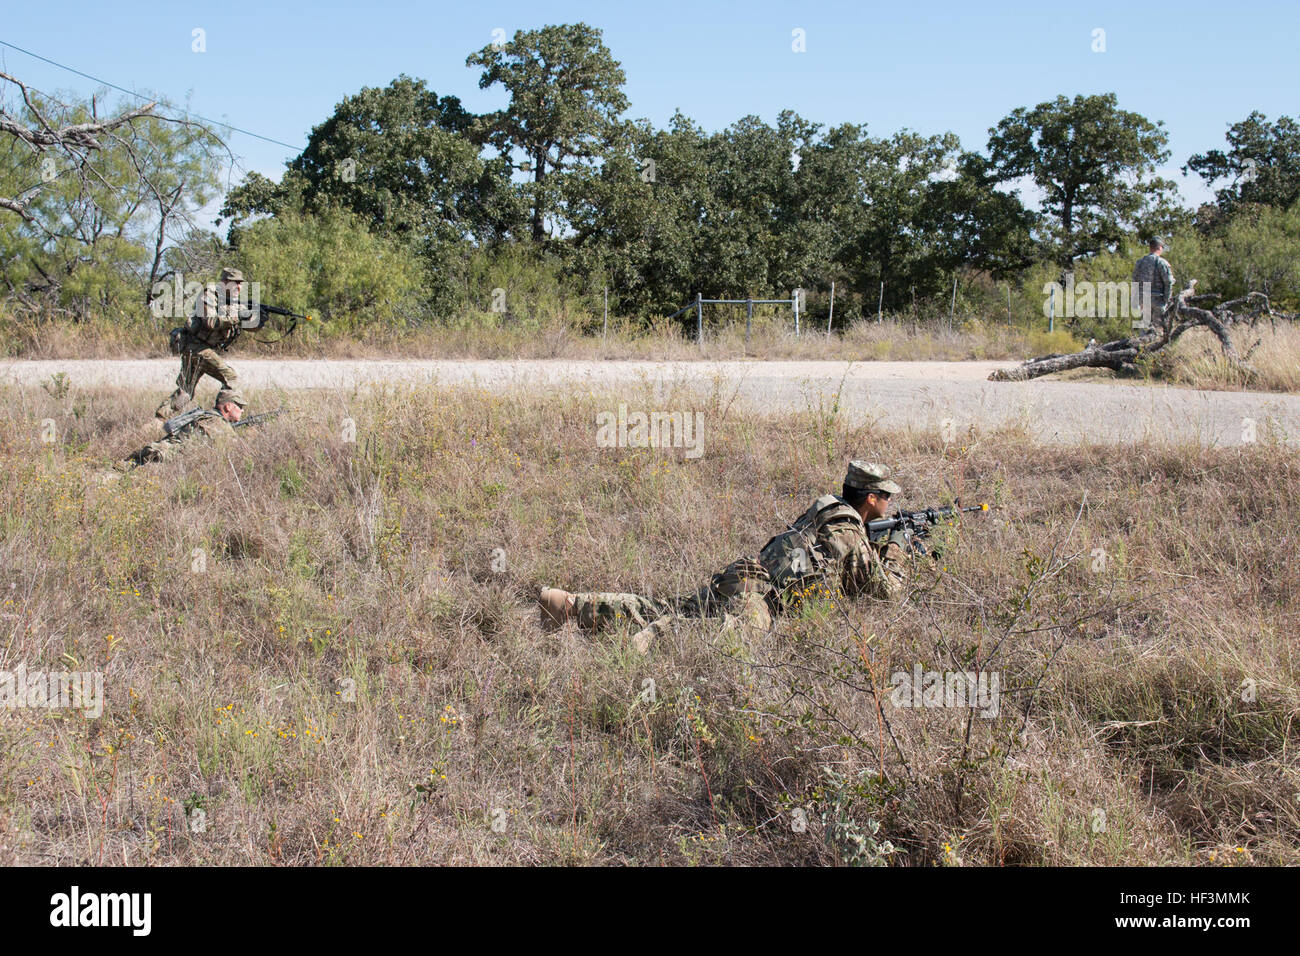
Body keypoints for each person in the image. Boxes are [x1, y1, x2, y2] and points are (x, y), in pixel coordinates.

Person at [538, 461, 911, 651]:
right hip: (760, 601)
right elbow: (883, 590)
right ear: (872, 498)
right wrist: (897, 549)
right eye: (886, 496)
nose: (890, 502)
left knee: (666, 604)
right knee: (713, 635)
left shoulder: (827, 509)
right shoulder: (848, 529)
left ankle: (569, 604)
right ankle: (647, 639)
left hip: (746, 576)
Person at [155, 267, 249, 419]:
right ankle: (221, 417)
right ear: (224, 282)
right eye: (235, 282)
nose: (239, 286)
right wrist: (238, 316)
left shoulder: (233, 302)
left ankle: (158, 421)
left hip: (200, 349)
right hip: (197, 348)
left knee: (186, 391)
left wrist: (254, 319)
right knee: (231, 378)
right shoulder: (209, 296)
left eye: (241, 283)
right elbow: (211, 322)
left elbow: (245, 323)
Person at [122, 395, 245, 469]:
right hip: (164, 457)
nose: (242, 411)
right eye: (239, 407)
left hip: (158, 448)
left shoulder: (204, 415)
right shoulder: (220, 425)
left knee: (123, 467)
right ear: (228, 407)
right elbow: (236, 451)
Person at [1131, 237, 1175, 332]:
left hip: (1144, 300)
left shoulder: (1140, 262)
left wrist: (1137, 301)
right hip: (1158, 300)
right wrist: (1167, 300)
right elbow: (1169, 282)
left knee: (1144, 329)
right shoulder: (1161, 263)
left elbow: (1134, 282)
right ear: (1159, 247)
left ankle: (1141, 346)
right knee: (1159, 330)